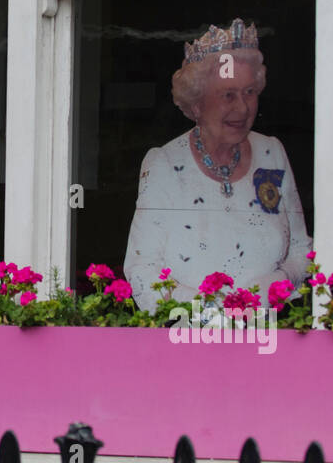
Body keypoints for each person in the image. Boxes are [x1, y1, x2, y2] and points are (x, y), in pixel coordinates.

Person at [122, 19, 311, 304]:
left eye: (250, 92)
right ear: (197, 104)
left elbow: (302, 251)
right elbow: (141, 269)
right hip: (191, 336)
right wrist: (213, 313)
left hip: (269, 332)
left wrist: (277, 283)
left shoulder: (272, 154)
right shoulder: (164, 164)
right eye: (228, 95)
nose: (243, 107)